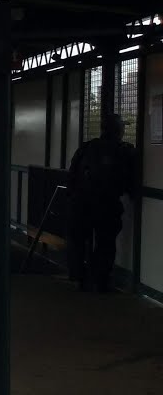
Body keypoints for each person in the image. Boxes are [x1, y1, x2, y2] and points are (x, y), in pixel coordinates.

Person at [66, 113, 139, 292]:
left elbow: (72, 175)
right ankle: (101, 281)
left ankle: (79, 278)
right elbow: (130, 179)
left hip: (81, 203)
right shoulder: (124, 151)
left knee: (78, 240)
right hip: (106, 205)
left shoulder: (87, 147)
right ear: (118, 131)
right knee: (105, 243)